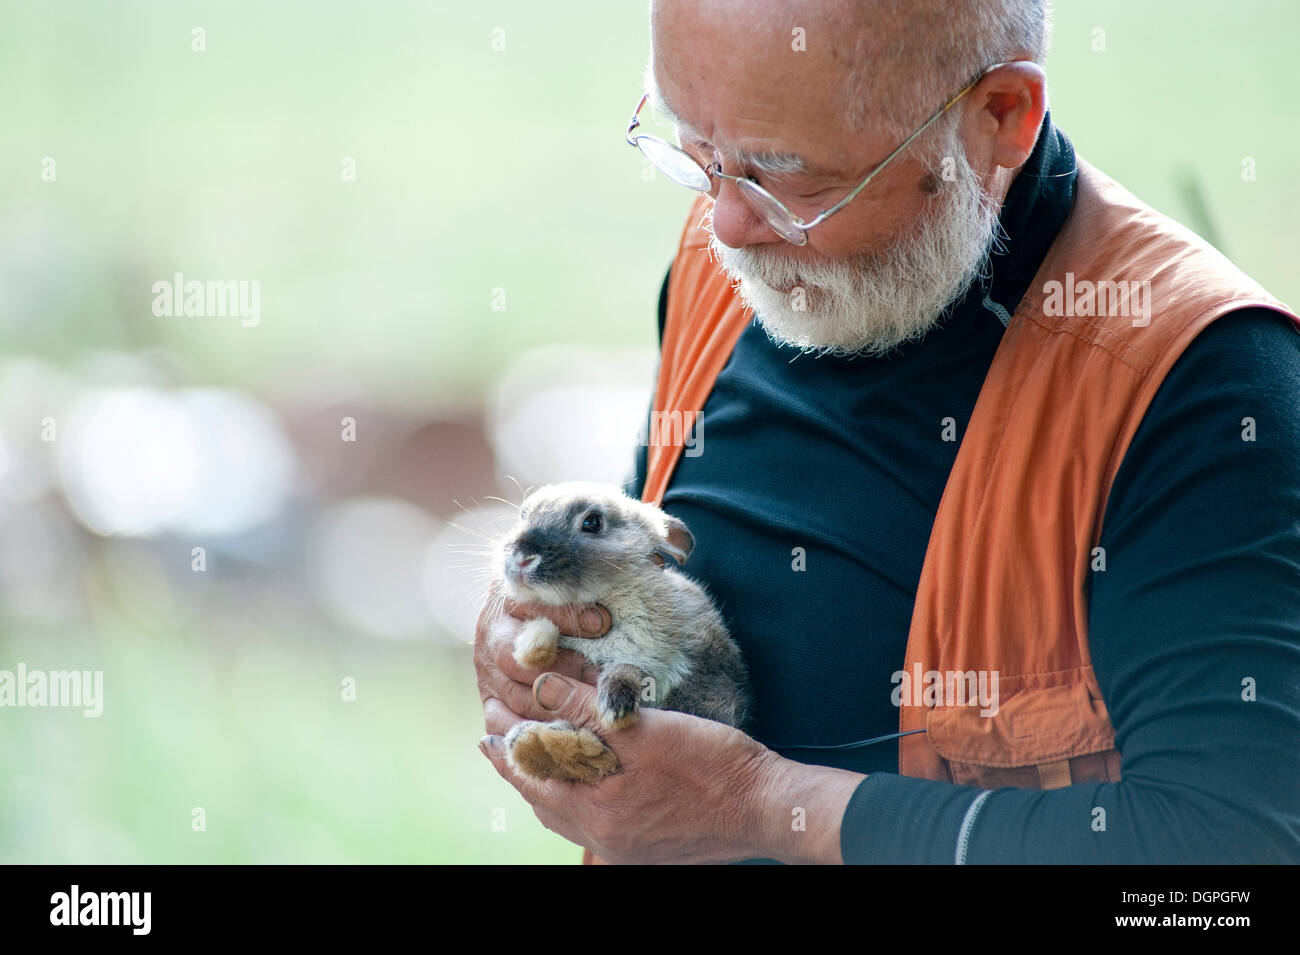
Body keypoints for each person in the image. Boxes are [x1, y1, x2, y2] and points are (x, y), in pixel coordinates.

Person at [473, 0, 1300, 863]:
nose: (726, 224)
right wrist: (538, 649)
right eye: (697, 153)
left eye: (792, 176)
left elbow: (1224, 874)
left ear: (1001, 117)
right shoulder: (739, 253)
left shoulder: (1202, 381)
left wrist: (767, 806)